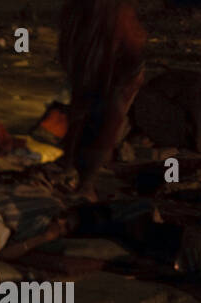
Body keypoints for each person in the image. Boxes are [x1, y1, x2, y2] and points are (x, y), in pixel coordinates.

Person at [59, 0, 147, 198]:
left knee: (98, 115)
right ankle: (81, 177)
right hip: (99, 60)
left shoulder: (113, 12)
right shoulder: (108, 12)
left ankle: (79, 176)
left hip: (106, 62)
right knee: (100, 116)